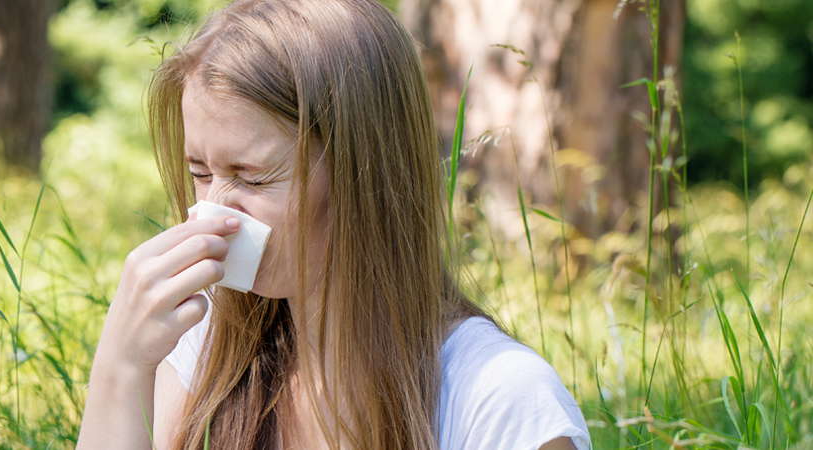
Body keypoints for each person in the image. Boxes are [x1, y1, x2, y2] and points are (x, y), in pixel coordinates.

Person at [76, 0, 591, 449]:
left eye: (252, 179)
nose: (214, 212)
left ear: (362, 174)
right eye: (200, 173)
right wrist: (121, 367)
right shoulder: (205, 347)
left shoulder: (496, 398)